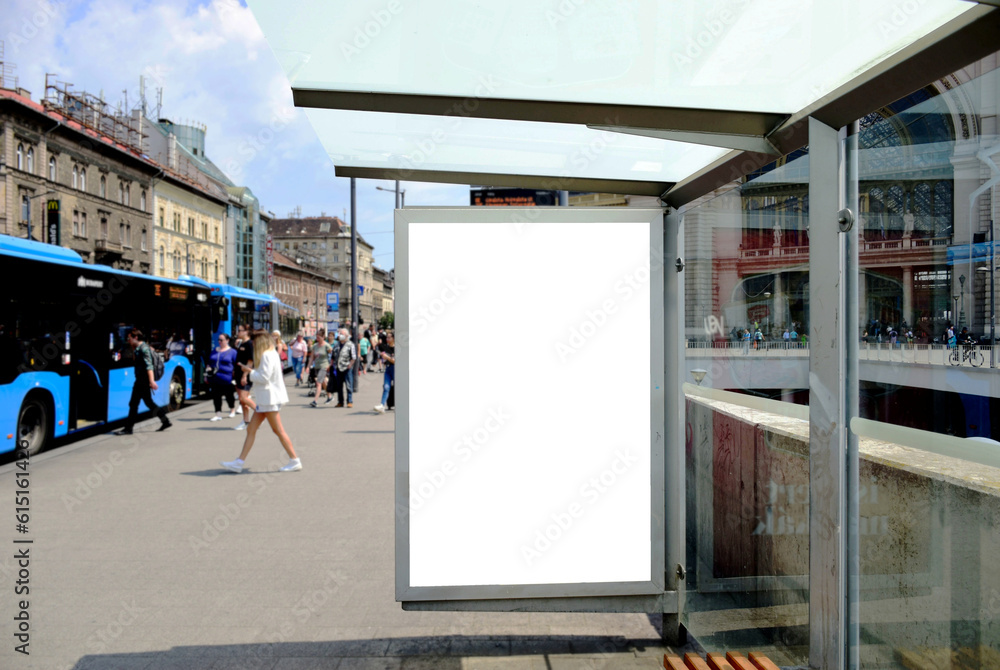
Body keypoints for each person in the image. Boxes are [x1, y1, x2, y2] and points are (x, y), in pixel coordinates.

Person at [220, 330, 301, 473]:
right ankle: (239, 462)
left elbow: (264, 378)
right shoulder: (271, 353)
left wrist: (249, 371)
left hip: (269, 399)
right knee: (252, 429)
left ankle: (294, 460)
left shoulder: (267, 355)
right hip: (266, 399)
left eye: (254, 342)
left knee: (278, 430)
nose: (253, 344)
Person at [116, 328, 171, 435]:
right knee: (148, 402)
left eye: (130, 338)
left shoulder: (144, 349)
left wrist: (151, 381)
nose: (128, 340)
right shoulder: (139, 347)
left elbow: (149, 366)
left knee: (133, 403)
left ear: (136, 337)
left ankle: (128, 428)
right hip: (141, 380)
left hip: (142, 380)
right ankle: (165, 421)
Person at [206, 333, 238, 421]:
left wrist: (235, 377)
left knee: (229, 396)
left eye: (221, 340)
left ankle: (232, 409)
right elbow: (209, 362)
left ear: (227, 340)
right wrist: (206, 374)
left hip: (227, 378)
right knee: (216, 396)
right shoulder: (214, 350)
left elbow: (236, 365)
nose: (219, 342)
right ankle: (218, 414)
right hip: (215, 377)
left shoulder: (233, 352)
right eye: (219, 340)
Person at [233, 325, 257, 431]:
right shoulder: (241, 343)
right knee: (242, 401)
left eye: (240, 330)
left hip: (245, 375)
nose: (238, 332)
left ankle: (261, 412)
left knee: (243, 398)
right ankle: (246, 421)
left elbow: (250, 361)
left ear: (246, 332)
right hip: (238, 374)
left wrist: (244, 375)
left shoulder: (249, 344)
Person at [332, 328, 357, 408]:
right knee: (339, 386)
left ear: (346, 335)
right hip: (338, 368)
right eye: (339, 333)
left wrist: (350, 365)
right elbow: (333, 356)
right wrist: (331, 365)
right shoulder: (336, 344)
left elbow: (354, 357)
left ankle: (350, 401)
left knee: (349, 385)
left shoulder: (350, 344)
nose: (340, 335)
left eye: (341, 334)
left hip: (347, 368)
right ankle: (340, 402)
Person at [307, 330, 333, 407]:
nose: (317, 339)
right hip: (317, 367)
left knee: (318, 383)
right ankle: (330, 396)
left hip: (324, 366)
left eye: (319, 337)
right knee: (324, 382)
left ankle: (315, 401)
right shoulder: (315, 346)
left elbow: (332, 356)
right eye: (316, 337)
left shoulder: (327, 346)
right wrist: (308, 367)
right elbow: (311, 358)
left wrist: (331, 365)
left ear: (323, 337)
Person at [373, 331, 395, 414]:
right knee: (386, 387)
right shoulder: (386, 347)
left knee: (398, 389)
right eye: (387, 337)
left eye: (389, 337)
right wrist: (383, 358)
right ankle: (382, 405)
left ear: (394, 338)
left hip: (395, 369)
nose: (387, 339)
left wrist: (387, 357)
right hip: (388, 369)